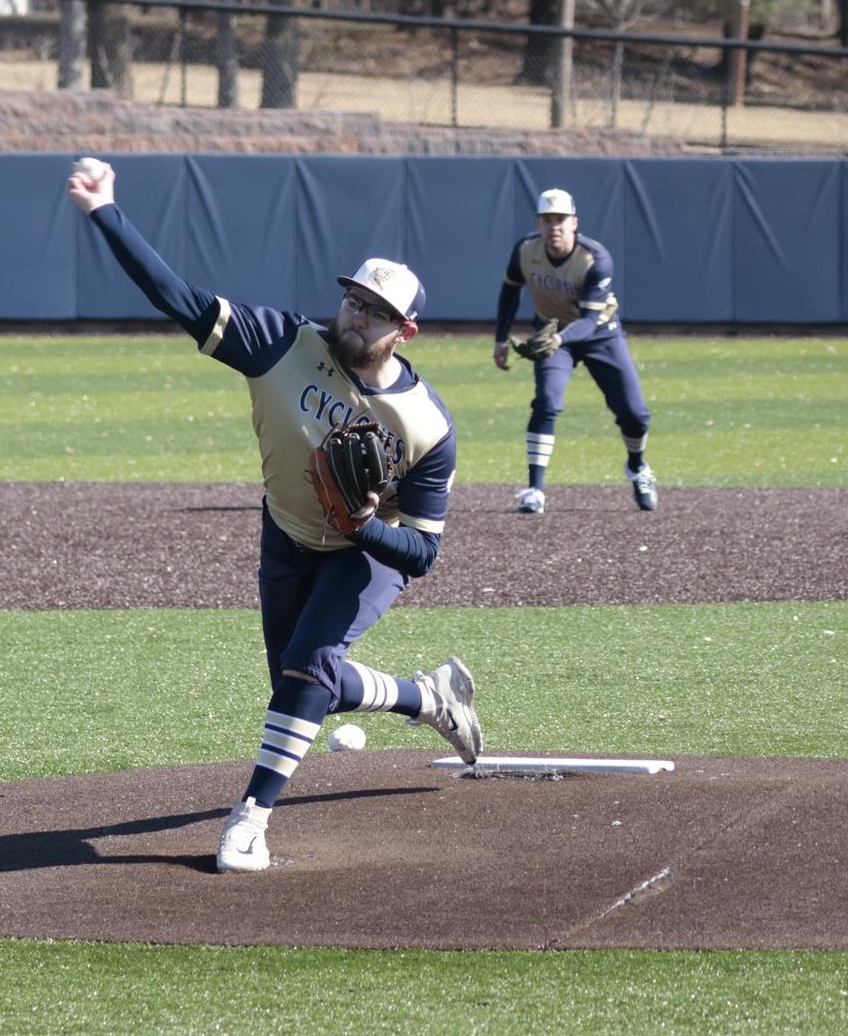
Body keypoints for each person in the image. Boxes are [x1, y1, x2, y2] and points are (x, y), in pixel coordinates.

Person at [66, 159, 482, 874]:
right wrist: (106, 211)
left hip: (364, 552)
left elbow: (423, 554)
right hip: (287, 536)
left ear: (404, 330)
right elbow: (179, 298)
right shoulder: (282, 343)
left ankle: (249, 819)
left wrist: (363, 530)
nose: (358, 314)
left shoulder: (427, 425)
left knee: (308, 671)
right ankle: (428, 696)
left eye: (377, 311)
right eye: (354, 299)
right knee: (301, 683)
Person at [492, 188, 657, 515]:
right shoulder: (526, 250)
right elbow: (510, 290)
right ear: (539, 224)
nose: (554, 226)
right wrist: (500, 338)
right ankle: (535, 489)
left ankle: (637, 468)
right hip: (551, 331)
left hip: (600, 335)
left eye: (560, 220)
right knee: (547, 402)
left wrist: (558, 341)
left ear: (574, 222)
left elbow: (589, 320)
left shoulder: (594, 259)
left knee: (635, 414)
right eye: (546, 220)